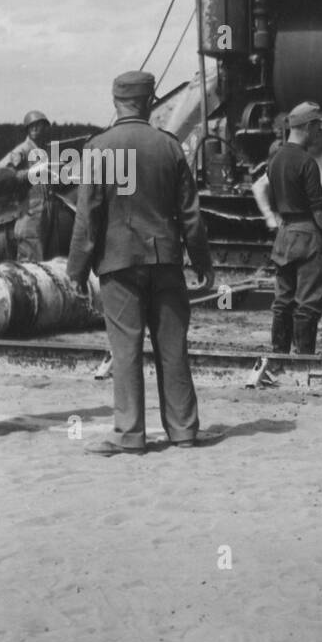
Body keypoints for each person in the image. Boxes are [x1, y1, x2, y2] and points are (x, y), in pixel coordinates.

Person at [67, 71, 215, 456]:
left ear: (115, 101)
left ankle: (130, 434)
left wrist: (76, 271)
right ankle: (183, 431)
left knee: (126, 348)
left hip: (118, 263)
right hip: (165, 261)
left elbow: (88, 218)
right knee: (172, 346)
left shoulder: (100, 148)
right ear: (150, 102)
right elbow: (191, 216)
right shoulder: (169, 147)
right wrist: (202, 261)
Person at [255, 112, 322, 311]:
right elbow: (259, 187)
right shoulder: (290, 162)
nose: (319, 137)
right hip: (302, 231)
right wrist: (271, 218)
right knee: (299, 294)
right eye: (316, 132)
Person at [253, 102, 322, 356]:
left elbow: (269, 194)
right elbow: (319, 208)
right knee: (308, 303)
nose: (319, 132)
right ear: (308, 127)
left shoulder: (275, 159)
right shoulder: (307, 162)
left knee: (283, 300)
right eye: (317, 127)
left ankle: (278, 354)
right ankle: (304, 358)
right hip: (308, 235)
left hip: (284, 233)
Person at [0, 109, 54, 260]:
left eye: (38, 125)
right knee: (31, 266)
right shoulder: (23, 150)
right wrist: (30, 173)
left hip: (44, 217)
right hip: (28, 216)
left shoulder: (43, 151)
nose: (34, 128)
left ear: (45, 127)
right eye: (30, 126)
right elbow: (1, 173)